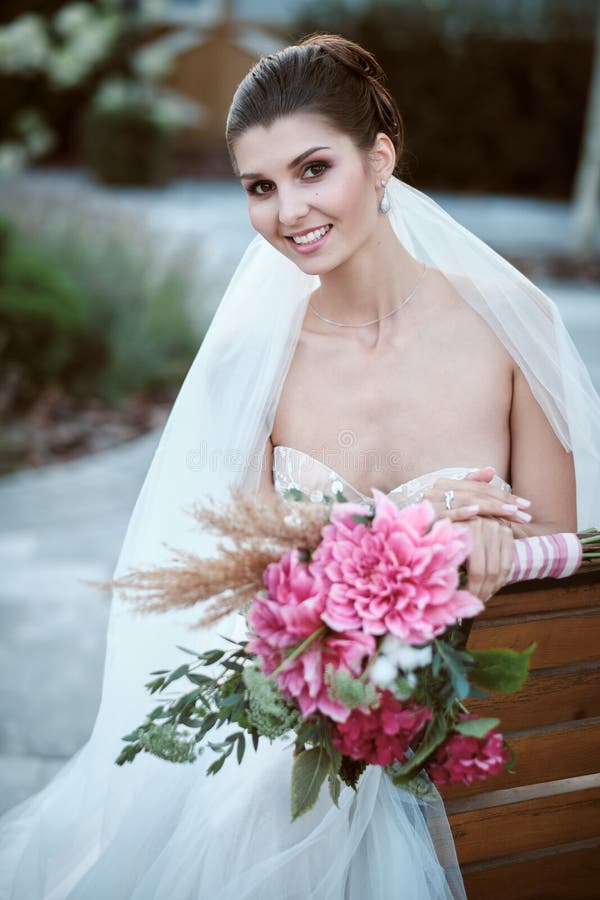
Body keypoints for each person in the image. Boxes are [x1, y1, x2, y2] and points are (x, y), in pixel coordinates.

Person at [1, 33, 599, 900]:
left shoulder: (514, 320)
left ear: (381, 157)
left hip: (479, 734)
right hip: (296, 740)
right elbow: (240, 595)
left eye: (314, 169)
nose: (287, 211)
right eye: (260, 186)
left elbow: (562, 549)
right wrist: (415, 538)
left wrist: (486, 541)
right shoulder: (257, 357)